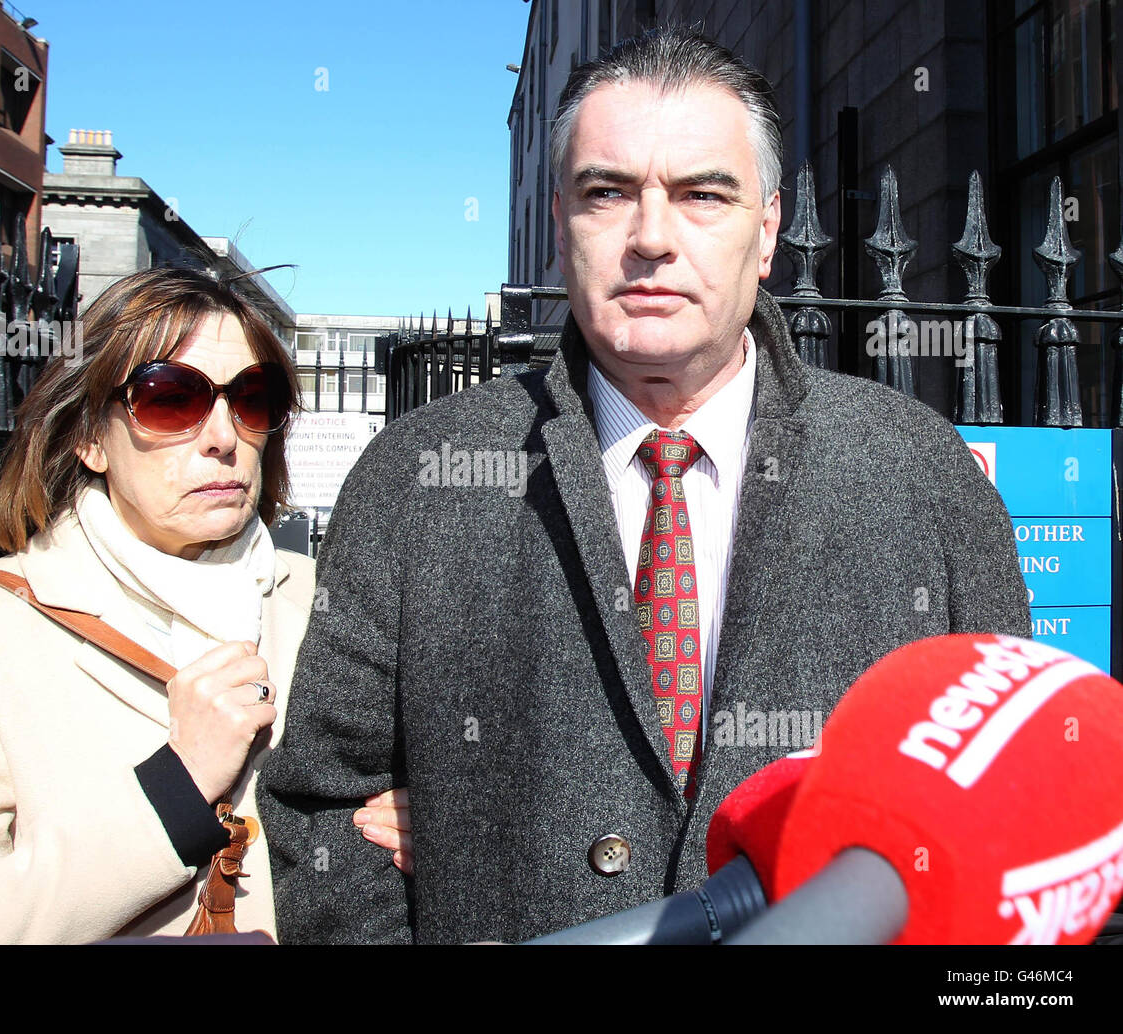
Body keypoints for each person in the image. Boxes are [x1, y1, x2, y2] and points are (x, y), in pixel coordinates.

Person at [258, 28, 1031, 944]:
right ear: (561, 223)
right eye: (608, 193)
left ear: (770, 227)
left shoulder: (921, 474)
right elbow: (321, 813)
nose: (651, 238)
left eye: (704, 194)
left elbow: (1002, 804)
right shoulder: (415, 480)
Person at [0, 267, 408, 943]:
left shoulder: (332, 600)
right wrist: (175, 790)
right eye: (171, 398)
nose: (223, 436)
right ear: (90, 438)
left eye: (250, 398)